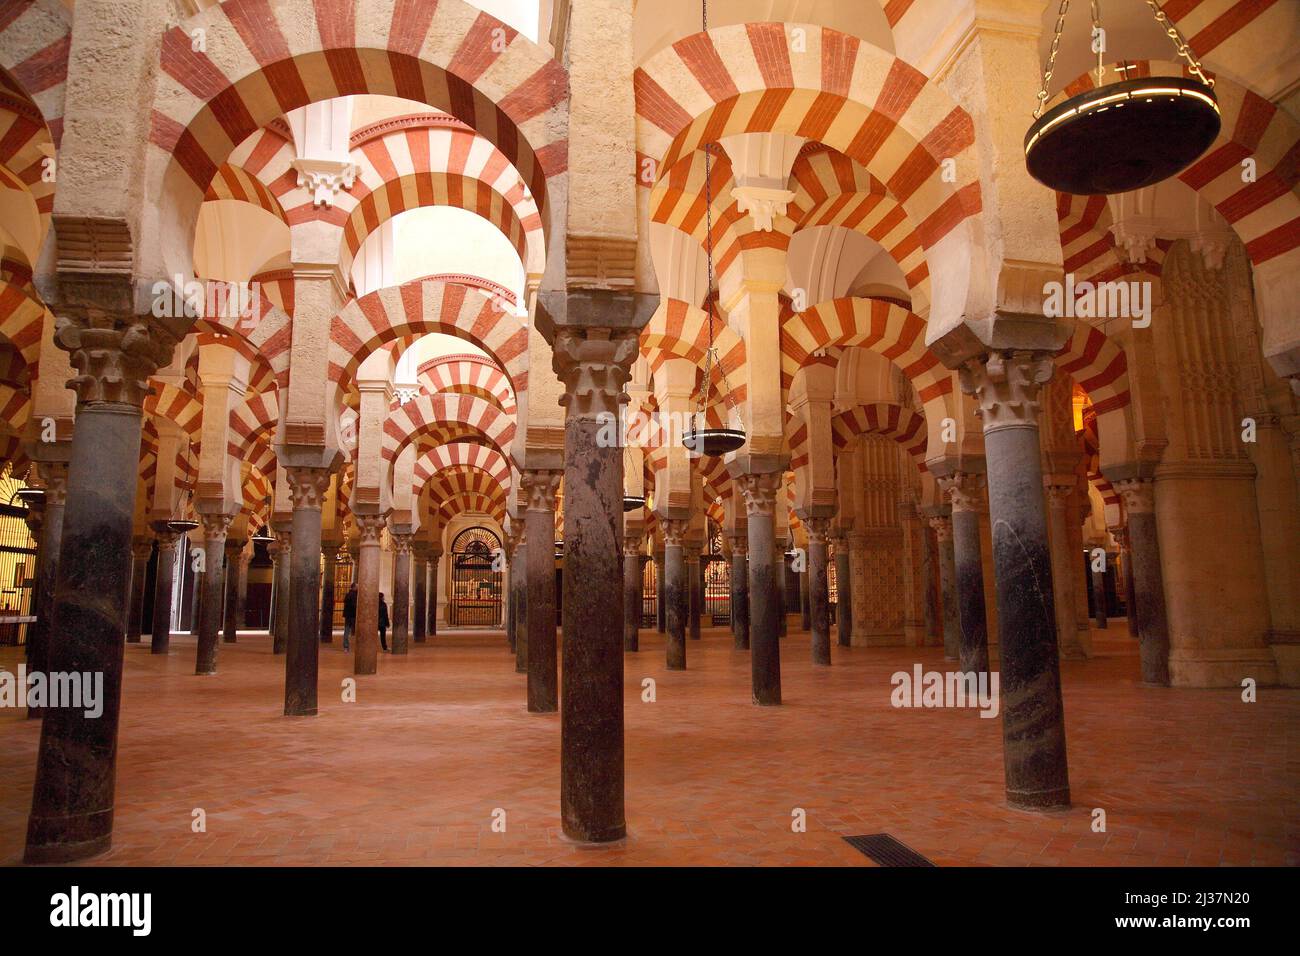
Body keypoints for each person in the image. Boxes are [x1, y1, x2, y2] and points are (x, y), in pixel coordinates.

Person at [342, 584, 357, 652]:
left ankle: (346, 646)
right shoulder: (355, 595)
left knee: (346, 630)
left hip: (348, 615)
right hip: (353, 615)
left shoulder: (347, 594)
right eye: (357, 587)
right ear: (354, 587)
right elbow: (354, 605)